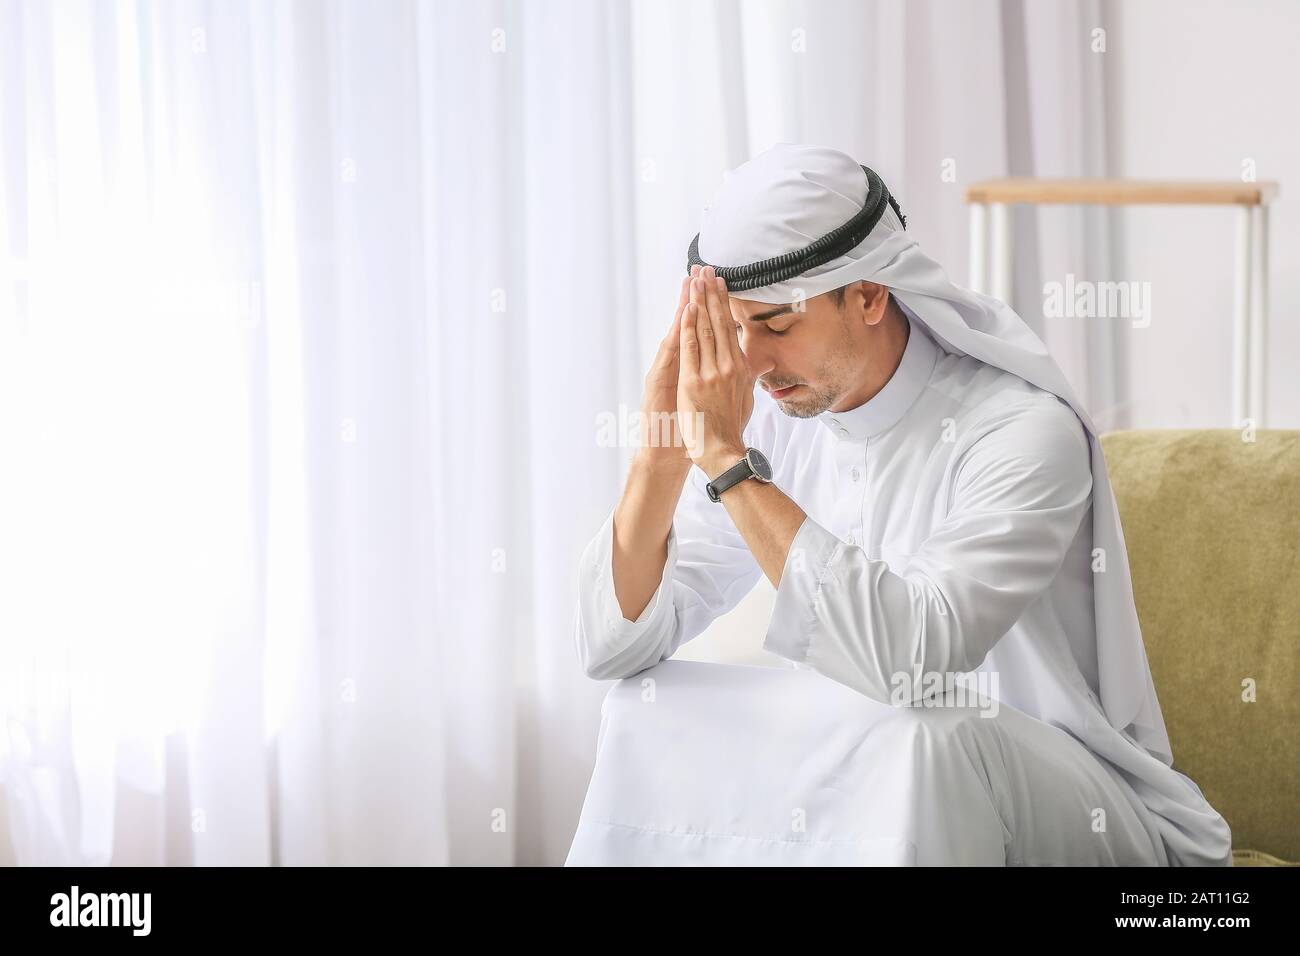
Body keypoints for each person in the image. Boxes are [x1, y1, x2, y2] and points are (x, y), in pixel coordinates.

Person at [566, 143, 1232, 866]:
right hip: (873, 777)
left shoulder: (1022, 430)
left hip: (1086, 807)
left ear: (870, 294)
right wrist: (661, 458)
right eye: (735, 331)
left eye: (777, 326)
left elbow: (910, 659)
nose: (752, 366)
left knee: (927, 733)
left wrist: (726, 462)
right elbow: (615, 648)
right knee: (645, 710)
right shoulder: (787, 427)